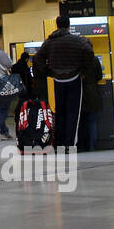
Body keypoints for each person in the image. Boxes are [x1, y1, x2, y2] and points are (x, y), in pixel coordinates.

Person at [34, 15, 98, 151]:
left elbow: (38, 57)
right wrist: (83, 71)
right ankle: (70, 144)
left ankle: (59, 143)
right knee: (73, 113)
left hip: (58, 80)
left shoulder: (50, 42)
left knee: (60, 112)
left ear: (56, 25)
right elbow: (89, 53)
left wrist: (49, 72)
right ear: (68, 25)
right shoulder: (77, 41)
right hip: (74, 79)